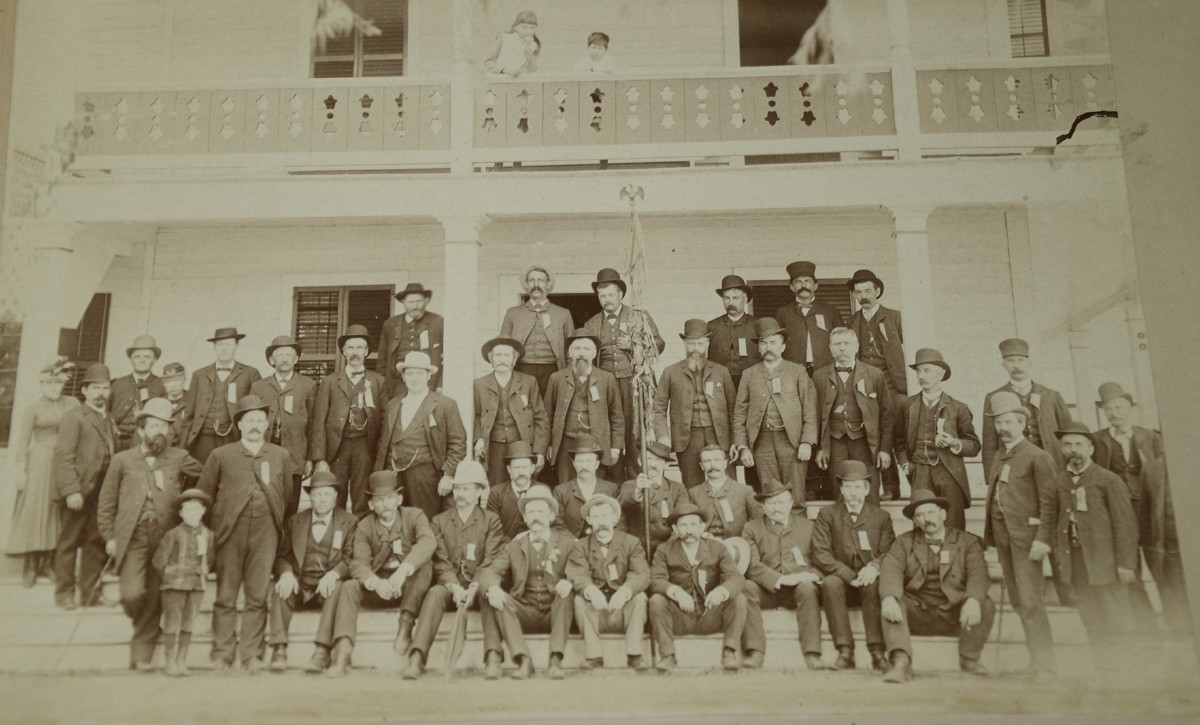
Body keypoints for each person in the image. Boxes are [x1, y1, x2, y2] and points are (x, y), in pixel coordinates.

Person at [97, 398, 203, 671]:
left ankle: (141, 656)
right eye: (154, 426)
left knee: (156, 594)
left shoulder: (178, 457)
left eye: (164, 427)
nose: (160, 431)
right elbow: (106, 503)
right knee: (132, 593)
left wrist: (190, 503)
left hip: (166, 536)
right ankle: (147, 627)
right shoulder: (122, 460)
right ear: (141, 429)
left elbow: (206, 476)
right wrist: (109, 537)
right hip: (132, 536)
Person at [196, 395, 295, 673]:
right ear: (239, 425)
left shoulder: (280, 455)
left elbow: (286, 495)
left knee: (257, 594)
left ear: (266, 425)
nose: (254, 425)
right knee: (226, 594)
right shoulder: (221, 455)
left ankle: (251, 654)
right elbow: (204, 495)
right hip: (230, 532)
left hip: (266, 533)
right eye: (249, 420)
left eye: (259, 421)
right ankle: (222, 654)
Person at [878, 489, 995, 683]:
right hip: (917, 613)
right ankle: (900, 662)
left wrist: (973, 600)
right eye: (920, 515)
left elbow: (979, 573)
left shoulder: (967, 542)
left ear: (943, 514)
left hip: (954, 614)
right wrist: (889, 597)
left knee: (985, 603)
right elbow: (891, 569)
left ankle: (969, 659)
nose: (927, 519)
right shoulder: (903, 542)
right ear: (915, 520)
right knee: (892, 599)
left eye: (931, 512)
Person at [328, 471, 435, 678]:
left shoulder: (414, 516)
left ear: (399, 499)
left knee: (424, 566)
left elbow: (428, 542)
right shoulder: (364, 526)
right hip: (379, 588)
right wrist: (375, 583)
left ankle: (406, 625)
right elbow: (358, 562)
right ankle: (342, 652)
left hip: (408, 589)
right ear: (371, 505)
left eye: (389, 498)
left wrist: (403, 571)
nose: (385, 504)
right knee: (349, 586)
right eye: (378, 500)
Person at [982, 390, 1058, 680]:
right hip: (1005, 539)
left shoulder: (1037, 456)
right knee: (1018, 601)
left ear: (1022, 423)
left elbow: (1050, 503)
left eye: (1008, 422)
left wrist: (1042, 539)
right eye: (998, 422)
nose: (1002, 428)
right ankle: (1035, 663)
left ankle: (1046, 666)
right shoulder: (1001, 455)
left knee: (1031, 602)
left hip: (1028, 541)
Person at [408, 460, 507, 680]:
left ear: (479, 491)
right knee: (434, 594)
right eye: (458, 488)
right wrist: (453, 587)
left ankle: (493, 657)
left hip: (478, 584)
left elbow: (490, 559)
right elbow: (440, 561)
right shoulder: (439, 521)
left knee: (489, 595)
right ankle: (417, 656)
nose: (460, 494)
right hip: (450, 585)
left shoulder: (491, 521)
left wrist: (474, 587)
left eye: (467, 489)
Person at [1052, 422, 1139, 668]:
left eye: (1079, 444)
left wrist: (1126, 563)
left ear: (1090, 449)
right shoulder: (1060, 481)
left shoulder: (1107, 480)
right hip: (1077, 562)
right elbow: (1056, 523)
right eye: (1068, 445)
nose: (1073, 450)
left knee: (1116, 620)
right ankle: (1104, 673)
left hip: (1107, 563)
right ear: (1062, 449)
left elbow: (1125, 524)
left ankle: (1128, 673)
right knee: (1091, 620)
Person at [481, 485, 576, 680]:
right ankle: (523, 660)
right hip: (525, 611)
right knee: (497, 598)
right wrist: (492, 587)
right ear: (524, 517)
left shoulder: (567, 544)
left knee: (566, 596)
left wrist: (570, 581)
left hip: (554, 612)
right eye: (530, 512)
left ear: (551, 515)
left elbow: (581, 569)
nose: (535, 517)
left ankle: (555, 660)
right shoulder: (514, 546)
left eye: (540, 511)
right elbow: (492, 570)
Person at [266, 471, 358, 674]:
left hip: (327, 588)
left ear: (335, 496)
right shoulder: (295, 521)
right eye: (317, 494)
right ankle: (279, 649)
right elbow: (282, 556)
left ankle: (322, 651)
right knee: (280, 588)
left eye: (327, 494)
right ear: (310, 497)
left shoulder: (349, 522)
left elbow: (351, 557)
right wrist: (286, 574)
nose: (322, 499)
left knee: (337, 587)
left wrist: (334, 574)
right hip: (301, 583)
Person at [1091, 381, 1164, 630]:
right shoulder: (1097, 440)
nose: (1114, 413)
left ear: (1130, 408)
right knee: (1128, 568)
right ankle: (1145, 627)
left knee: (1160, 565)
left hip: (1150, 511)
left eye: (1119, 407)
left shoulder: (1149, 437)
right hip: (1118, 514)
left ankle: (1178, 623)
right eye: (1108, 409)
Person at [812, 460, 896, 672]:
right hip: (842, 580)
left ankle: (877, 651)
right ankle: (845, 651)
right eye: (847, 487)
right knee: (830, 583)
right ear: (841, 489)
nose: (852, 492)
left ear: (867, 489)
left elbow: (889, 552)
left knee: (873, 584)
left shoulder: (882, 517)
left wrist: (874, 567)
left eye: (857, 487)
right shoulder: (827, 514)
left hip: (869, 582)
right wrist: (848, 575)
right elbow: (820, 553)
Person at [584, 268, 665, 482]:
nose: (607, 300)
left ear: (620, 294)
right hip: (605, 387)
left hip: (634, 384)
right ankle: (615, 484)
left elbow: (658, 344)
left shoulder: (638, 316)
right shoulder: (591, 324)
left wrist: (633, 344)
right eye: (602, 296)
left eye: (611, 295)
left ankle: (637, 482)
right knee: (611, 432)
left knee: (635, 432)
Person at [647, 502, 747, 672]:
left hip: (710, 614)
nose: (689, 530)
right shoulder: (664, 550)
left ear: (702, 527)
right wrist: (676, 592)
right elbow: (656, 580)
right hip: (680, 617)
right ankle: (667, 656)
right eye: (683, 525)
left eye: (693, 524)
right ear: (675, 529)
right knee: (657, 601)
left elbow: (736, 578)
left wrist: (721, 591)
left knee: (738, 598)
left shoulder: (718, 548)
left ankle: (729, 652)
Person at [732, 317, 818, 507]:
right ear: (758, 347)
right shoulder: (749, 374)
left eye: (773, 342)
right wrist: (743, 446)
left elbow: (810, 410)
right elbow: (739, 414)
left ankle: (796, 526)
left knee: (795, 496)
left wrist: (807, 441)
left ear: (783, 346)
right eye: (763, 343)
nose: (768, 347)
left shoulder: (797, 372)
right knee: (769, 495)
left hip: (791, 441)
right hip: (761, 442)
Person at [8, 357, 77, 587]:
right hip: (40, 462)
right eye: (49, 383)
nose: (54, 387)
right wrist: (20, 469)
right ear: (42, 384)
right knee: (36, 510)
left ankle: (49, 563)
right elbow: (23, 441)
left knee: (58, 512)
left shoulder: (73, 404)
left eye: (58, 382)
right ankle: (30, 565)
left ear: (63, 383)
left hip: (65, 461)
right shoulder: (33, 408)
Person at [52, 363, 117, 610]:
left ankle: (90, 595)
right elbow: (63, 457)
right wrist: (71, 490)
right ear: (84, 391)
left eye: (105, 388)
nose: (101, 393)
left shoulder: (109, 418)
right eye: (96, 388)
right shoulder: (74, 417)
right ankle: (64, 595)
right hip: (79, 491)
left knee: (95, 542)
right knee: (69, 543)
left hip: (102, 491)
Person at [894, 348, 980, 531]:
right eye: (918, 371)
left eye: (927, 370)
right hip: (920, 471)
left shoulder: (958, 408)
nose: (921, 376)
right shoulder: (906, 405)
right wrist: (904, 463)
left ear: (940, 374)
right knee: (922, 522)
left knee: (953, 523)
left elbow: (974, 445)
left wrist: (954, 443)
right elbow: (899, 441)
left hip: (949, 472)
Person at [374, 351, 467, 523]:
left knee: (425, 523)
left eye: (419, 373)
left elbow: (458, 443)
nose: (414, 378)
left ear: (429, 376)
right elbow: (383, 442)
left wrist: (449, 475)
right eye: (410, 374)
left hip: (426, 477)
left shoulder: (445, 404)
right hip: (394, 476)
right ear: (403, 377)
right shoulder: (393, 404)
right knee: (396, 523)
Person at [741, 479, 823, 671]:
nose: (776, 508)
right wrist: (781, 579)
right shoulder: (751, 528)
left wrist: (812, 575)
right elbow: (751, 565)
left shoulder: (809, 526)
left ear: (791, 503)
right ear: (763, 506)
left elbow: (823, 558)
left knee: (808, 589)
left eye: (781, 502)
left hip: (799, 588)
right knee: (746, 588)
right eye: (771, 503)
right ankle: (755, 651)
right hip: (767, 589)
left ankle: (812, 653)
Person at [565, 494, 650, 671]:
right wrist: (590, 590)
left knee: (639, 597)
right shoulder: (580, 546)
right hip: (596, 612)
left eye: (605, 515)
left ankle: (634, 654)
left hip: (622, 611)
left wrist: (625, 591)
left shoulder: (631, 543)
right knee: (580, 600)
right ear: (589, 520)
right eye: (596, 516)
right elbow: (577, 574)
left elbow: (641, 574)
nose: (601, 521)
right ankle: (593, 656)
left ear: (614, 519)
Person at [652, 319, 736, 488]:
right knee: (692, 487)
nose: (695, 348)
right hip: (687, 439)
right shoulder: (671, 372)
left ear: (707, 344)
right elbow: (658, 408)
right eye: (691, 344)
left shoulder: (721, 371)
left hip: (719, 436)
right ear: (685, 344)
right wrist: (663, 436)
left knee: (726, 484)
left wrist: (735, 440)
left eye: (699, 344)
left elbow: (733, 409)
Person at [813, 328, 893, 503]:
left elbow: (886, 415)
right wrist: (820, 448)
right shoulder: (819, 376)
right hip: (834, 442)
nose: (842, 348)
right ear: (830, 348)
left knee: (869, 491)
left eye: (846, 343)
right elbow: (815, 416)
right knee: (840, 490)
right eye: (837, 344)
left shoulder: (874, 374)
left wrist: (885, 449)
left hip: (866, 442)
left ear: (856, 347)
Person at [312, 325, 385, 514]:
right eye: (350, 348)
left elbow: (384, 421)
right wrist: (319, 458)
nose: (355, 352)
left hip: (365, 447)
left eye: (359, 348)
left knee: (362, 497)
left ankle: (359, 532)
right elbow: (319, 421)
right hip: (337, 448)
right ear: (344, 352)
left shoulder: (378, 381)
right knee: (335, 496)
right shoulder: (329, 381)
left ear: (367, 352)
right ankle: (337, 532)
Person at [543, 328, 624, 484]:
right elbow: (547, 416)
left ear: (594, 353)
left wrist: (615, 447)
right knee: (566, 486)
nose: (581, 353)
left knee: (595, 486)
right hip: (566, 443)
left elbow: (617, 417)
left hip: (596, 442)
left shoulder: (607, 379)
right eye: (577, 348)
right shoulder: (557, 378)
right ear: (569, 352)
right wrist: (550, 444)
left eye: (586, 349)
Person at [981, 338, 1072, 475]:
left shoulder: (1051, 396)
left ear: (1029, 362)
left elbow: (1068, 434)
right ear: (1004, 365)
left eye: (1020, 360)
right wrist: (991, 477)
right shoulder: (995, 397)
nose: (1016, 365)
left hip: (1051, 465)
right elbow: (989, 442)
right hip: (1014, 469)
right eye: (1010, 361)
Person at [251, 335, 317, 516]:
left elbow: (313, 425)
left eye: (289, 354)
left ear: (296, 359)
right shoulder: (259, 387)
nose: (284, 359)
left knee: (290, 505)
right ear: (271, 360)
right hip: (264, 454)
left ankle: (287, 535)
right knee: (264, 503)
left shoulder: (308, 386)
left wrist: (309, 458)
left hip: (294, 455)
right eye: (280, 355)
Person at [152, 489, 214, 677]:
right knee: (172, 621)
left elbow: (210, 559)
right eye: (187, 510)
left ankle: (181, 660)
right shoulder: (173, 534)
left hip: (196, 585)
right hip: (174, 586)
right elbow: (158, 561)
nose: (192, 513)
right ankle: (170, 660)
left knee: (189, 622)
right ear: (180, 513)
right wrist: (171, 577)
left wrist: (201, 572)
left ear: (203, 511)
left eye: (196, 509)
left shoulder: (208, 535)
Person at [473, 336, 549, 486]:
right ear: (491, 359)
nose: (502, 359)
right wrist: (478, 438)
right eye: (498, 355)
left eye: (506, 355)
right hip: (494, 446)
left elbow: (541, 418)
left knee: (524, 485)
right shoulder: (480, 384)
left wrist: (540, 451)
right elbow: (476, 415)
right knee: (497, 486)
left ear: (514, 359)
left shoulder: (528, 382)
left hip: (522, 444)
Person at [182, 327, 262, 465]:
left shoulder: (250, 374)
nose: (224, 349)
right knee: (202, 475)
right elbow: (189, 414)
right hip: (202, 440)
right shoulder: (199, 375)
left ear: (237, 346)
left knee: (230, 475)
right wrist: (183, 445)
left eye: (228, 344)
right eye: (219, 344)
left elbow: (257, 412)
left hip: (233, 439)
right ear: (214, 347)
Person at [499, 265, 574, 396]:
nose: (536, 285)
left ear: (548, 284)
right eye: (531, 280)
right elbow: (503, 346)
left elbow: (571, 349)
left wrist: (568, 374)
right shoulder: (513, 313)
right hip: (522, 370)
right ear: (526, 285)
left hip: (553, 371)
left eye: (541, 280)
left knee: (550, 406)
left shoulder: (563, 314)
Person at [617, 441, 689, 558]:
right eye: (648, 459)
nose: (652, 464)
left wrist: (667, 549)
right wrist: (637, 491)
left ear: (666, 465)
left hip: (668, 551)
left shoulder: (678, 489)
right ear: (640, 462)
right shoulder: (629, 486)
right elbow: (621, 508)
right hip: (636, 551)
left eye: (658, 460)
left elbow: (683, 521)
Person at [773, 260, 844, 378]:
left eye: (807, 281)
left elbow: (842, 343)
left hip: (826, 371)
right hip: (792, 372)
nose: (803, 285)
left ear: (816, 285)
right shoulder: (782, 313)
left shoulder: (831, 312)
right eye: (798, 282)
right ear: (792, 287)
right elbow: (776, 344)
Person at [846, 269, 907, 400]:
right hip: (863, 382)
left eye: (868, 291)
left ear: (877, 292)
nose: (863, 296)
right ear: (854, 294)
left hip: (892, 383)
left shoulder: (894, 317)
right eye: (858, 292)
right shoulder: (852, 321)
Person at [378, 282, 444, 402]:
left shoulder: (437, 322)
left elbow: (448, 357)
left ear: (426, 301)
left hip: (430, 383)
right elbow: (382, 360)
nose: (415, 306)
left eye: (419, 301)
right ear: (403, 302)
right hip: (398, 384)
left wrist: (440, 384)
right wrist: (383, 387)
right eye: (411, 302)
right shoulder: (390, 324)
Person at [553, 434, 622, 538]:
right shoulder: (561, 492)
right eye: (579, 461)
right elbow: (557, 525)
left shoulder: (611, 490)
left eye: (589, 461)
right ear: (574, 464)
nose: (584, 466)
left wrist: (606, 542)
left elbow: (620, 523)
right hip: (572, 545)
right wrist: (574, 543)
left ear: (597, 464)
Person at [689, 445, 762, 539]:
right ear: (702, 466)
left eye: (717, 460)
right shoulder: (693, 493)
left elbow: (761, 522)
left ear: (725, 464)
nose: (712, 465)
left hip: (737, 544)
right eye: (707, 461)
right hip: (705, 545)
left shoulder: (745, 491)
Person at [109, 335, 166, 451]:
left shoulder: (161, 386)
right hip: (116, 442)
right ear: (131, 359)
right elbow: (105, 413)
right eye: (137, 357)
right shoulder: (117, 384)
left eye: (147, 357)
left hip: (146, 444)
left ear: (155, 360)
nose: (142, 360)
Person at [707, 274, 760, 393]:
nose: (731, 302)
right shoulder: (712, 326)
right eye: (727, 298)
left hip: (751, 384)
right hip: (719, 384)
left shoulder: (756, 325)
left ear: (745, 300)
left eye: (735, 298)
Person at [486, 441, 540, 540]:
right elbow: (493, 530)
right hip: (504, 546)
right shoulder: (496, 493)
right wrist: (512, 546)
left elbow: (548, 527)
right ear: (509, 469)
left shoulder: (541, 491)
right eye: (516, 467)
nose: (521, 472)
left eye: (525, 467)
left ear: (532, 468)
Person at [484, 10, 540, 78]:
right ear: (515, 27)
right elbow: (488, 62)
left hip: (519, 81)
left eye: (532, 27)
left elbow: (532, 70)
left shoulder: (534, 45)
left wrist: (529, 52)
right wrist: (504, 70)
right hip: (498, 78)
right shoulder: (504, 38)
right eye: (524, 27)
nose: (528, 31)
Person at [160, 362, 190, 447]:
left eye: (177, 380)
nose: (173, 385)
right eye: (168, 381)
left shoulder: (193, 401)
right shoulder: (159, 404)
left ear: (184, 380)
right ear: (163, 383)